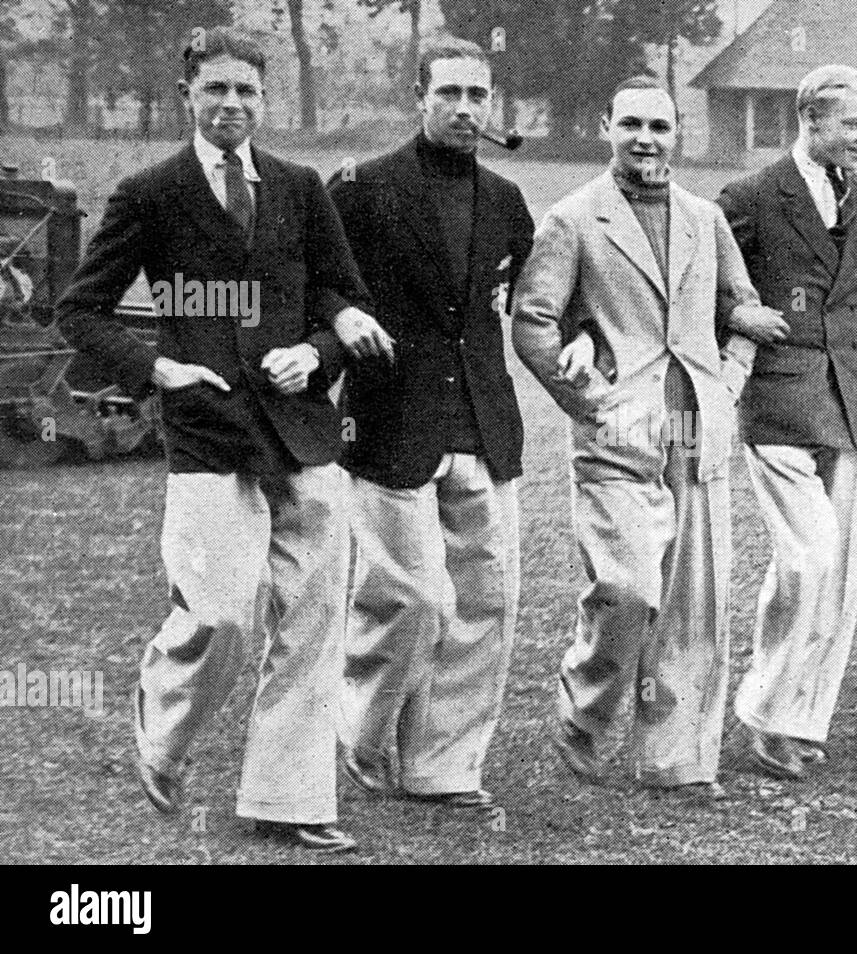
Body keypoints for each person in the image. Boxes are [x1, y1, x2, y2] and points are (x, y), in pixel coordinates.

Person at [55, 28, 376, 851]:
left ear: (263, 101)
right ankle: (162, 732)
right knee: (222, 615)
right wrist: (159, 370)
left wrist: (320, 351)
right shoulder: (150, 192)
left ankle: (290, 800)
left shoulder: (302, 189)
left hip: (303, 433)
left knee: (312, 623)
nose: (232, 105)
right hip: (208, 432)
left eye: (247, 92)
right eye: (217, 90)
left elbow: (342, 294)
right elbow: (79, 310)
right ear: (188, 95)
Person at [512, 77, 784, 799]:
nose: (646, 139)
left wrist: (728, 382)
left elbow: (745, 308)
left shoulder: (705, 218)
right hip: (619, 434)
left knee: (697, 605)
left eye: (659, 126)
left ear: (677, 134)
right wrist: (595, 403)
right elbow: (533, 322)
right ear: (606, 126)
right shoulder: (573, 219)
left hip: (699, 428)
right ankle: (586, 712)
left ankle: (678, 759)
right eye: (630, 123)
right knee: (628, 590)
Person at [717, 65, 857, 779]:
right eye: (854, 126)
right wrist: (733, 314)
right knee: (809, 560)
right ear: (811, 119)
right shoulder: (750, 196)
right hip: (779, 403)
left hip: (851, 403)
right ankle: (767, 710)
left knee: (838, 577)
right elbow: (696, 282)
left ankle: (802, 718)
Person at [326, 37, 534, 806]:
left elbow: (526, 299)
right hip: (389, 418)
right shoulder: (360, 187)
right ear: (419, 96)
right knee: (410, 598)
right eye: (448, 93)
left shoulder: (508, 202)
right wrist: (343, 312)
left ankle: (443, 766)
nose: (464, 109)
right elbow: (316, 278)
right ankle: (358, 733)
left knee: (487, 602)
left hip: (481, 418)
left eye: (477, 96)